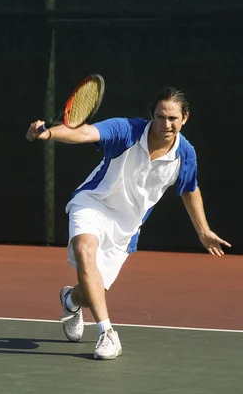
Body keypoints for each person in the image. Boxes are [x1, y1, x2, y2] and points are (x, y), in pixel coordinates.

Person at [26, 87, 231, 360]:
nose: (166, 124)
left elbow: (189, 189)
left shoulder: (185, 154)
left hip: (126, 227)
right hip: (93, 202)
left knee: (89, 294)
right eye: (160, 117)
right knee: (85, 250)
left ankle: (71, 301)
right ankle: (107, 333)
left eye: (172, 118)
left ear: (185, 119)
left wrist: (203, 231)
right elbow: (85, 133)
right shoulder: (127, 130)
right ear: (152, 116)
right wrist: (49, 133)